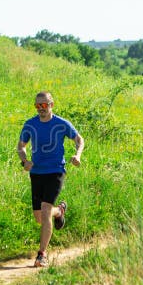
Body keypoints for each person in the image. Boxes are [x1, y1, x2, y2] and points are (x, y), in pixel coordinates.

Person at [17, 91, 84, 267]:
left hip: (55, 171)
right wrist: (24, 161)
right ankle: (60, 211)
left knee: (46, 210)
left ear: (51, 104)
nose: (41, 109)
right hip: (37, 172)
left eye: (44, 105)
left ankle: (41, 255)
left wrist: (77, 155)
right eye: (37, 106)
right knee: (40, 217)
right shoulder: (30, 125)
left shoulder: (61, 124)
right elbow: (21, 146)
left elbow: (79, 139)